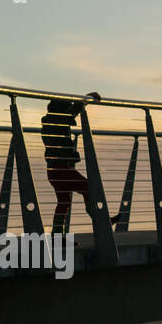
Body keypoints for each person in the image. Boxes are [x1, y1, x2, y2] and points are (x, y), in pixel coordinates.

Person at [40, 92, 101, 235]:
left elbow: (71, 112)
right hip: (62, 169)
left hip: (54, 169)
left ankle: (57, 235)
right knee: (89, 187)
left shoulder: (49, 123)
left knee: (64, 203)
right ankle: (100, 219)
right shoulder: (58, 121)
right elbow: (73, 111)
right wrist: (87, 98)